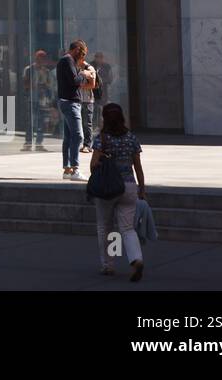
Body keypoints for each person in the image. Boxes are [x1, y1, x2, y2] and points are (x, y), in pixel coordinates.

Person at [90, 102, 147, 281]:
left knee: (105, 227)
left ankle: (108, 265)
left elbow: (93, 166)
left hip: (108, 188)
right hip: (129, 186)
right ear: (122, 117)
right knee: (127, 228)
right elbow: (138, 167)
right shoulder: (131, 138)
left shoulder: (102, 139)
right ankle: (136, 259)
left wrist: (103, 164)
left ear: (105, 119)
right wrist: (142, 189)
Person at [57, 40, 87, 180]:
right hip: (70, 103)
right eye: (81, 53)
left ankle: (67, 170)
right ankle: (75, 169)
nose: (82, 57)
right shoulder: (67, 60)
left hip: (67, 102)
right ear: (76, 49)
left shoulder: (65, 61)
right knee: (78, 136)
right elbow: (75, 81)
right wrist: (84, 74)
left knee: (69, 137)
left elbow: (72, 80)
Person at [20, 50, 52, 151]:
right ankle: (28, 142)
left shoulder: (46, 71)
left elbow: (49, 85)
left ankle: (39, 143)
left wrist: (45, 86)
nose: (41, 60)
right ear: (36, 58)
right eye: (39, 58)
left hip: (42, 99)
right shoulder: (28, 69)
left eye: (43, 58)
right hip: (31, 99)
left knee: (41, 122)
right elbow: (25, 84)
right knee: (30, 121)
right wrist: (34, 85)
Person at [76, 49, 98, 153]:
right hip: (77, 99)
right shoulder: (75, 68)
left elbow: (92, 85)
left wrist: (79, 85)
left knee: (87, 123)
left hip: (87, 100)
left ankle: (87, 145)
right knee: (79, 123)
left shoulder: (89, 68)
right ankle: (80, 144)